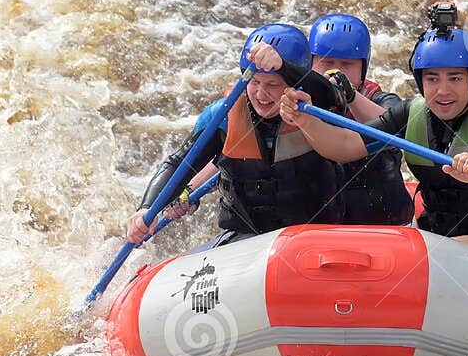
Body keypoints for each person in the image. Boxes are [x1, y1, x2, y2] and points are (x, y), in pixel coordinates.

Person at [282, 10, 468, 261]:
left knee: (447, 253)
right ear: (420, 83)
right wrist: (304, 119)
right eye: (432, 80)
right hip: (442, 236)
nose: (442, 91)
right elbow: (345, 146)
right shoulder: (413, 112)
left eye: (454, 79)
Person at [126, 23, 346, 244]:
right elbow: (179, 163)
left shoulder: (314, 103)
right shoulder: (222, 116)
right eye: (255, 82)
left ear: (296, 82)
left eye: (273, 84)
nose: (261, 93)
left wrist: (282, 65)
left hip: (314, 235)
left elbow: (333, 96)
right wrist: (147, 208)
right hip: (244, 240)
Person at [306, 13, 414, 226]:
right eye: (326, 62)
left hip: (384, 224)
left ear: (362, 68)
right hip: (321, 227)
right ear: (310, 64)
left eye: (347, 64)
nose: (335, 71)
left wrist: (352, 97)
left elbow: (397, 127)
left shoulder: (382, 100)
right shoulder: (299, 101)